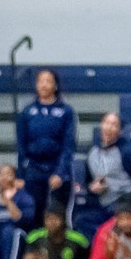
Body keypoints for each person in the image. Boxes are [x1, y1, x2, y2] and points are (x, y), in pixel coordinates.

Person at [75, 112, 131, 237]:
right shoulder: (92, 152)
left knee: (119, 217)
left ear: (119, 130)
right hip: (104, 205)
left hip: (125, 201)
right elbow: (88, 183)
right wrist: (92, 188)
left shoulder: (126, 152)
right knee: (81, 220)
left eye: (114, 125)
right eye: (106, 123)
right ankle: (103, 244)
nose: (109, 127)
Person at [15, 69, 77, 220]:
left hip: (56, 166)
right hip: (34, 169)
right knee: (34, 213)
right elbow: (21, 146)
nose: (44, 85)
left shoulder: (66, 111)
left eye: (48, 81)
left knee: (56, 214)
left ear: (55, 85)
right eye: (40, 81)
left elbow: (68, 145)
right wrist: (21, 174)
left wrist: (60, 172)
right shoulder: (27, 111)